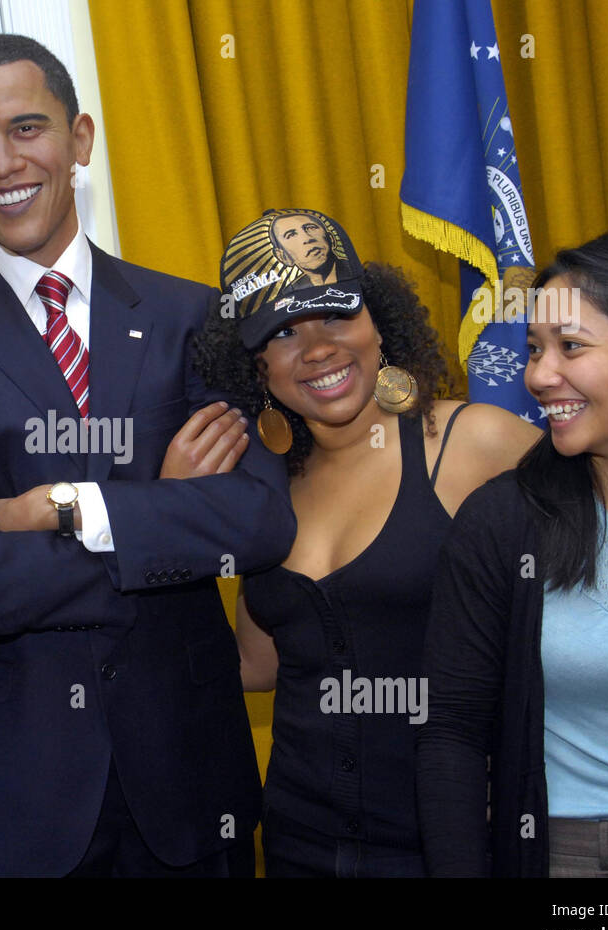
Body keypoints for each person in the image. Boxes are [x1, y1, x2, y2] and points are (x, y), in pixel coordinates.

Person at [0, 33, 296, 877]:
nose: (2, 162)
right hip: (25, 804)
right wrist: (164, 512)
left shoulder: (192, 316)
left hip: (189, 776)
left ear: (80, 139)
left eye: (27, 128)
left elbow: (259, 521)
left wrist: (77, 510)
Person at [194, 207, 539, 876]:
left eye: (335, 314)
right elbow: (258, 665)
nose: (318, 347)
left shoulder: (473, 443)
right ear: (257, 366)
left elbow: (607, 562)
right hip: (299, 844)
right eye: (284, 331)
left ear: (378, 322)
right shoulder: (265, 491)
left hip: (450, 846)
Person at [418, 226, 608, 877]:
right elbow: (451, 736)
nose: (538, 375)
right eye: (534, 350)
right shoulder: (504, 523)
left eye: (570, 347)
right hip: (576, 861)